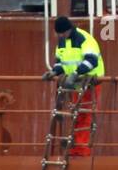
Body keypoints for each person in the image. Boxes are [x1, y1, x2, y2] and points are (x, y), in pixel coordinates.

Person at [43, 16, 105, 157]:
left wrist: (76, 73)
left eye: (63, 33)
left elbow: (92, 61)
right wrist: (54, 72)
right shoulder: (62, 42)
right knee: (77, 114)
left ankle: (81, 150)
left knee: (85, 114)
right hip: (77, 83)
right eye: (59, 34)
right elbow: (61, 62)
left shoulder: (84, 39)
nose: (61, 36)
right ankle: (76, 147)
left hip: (91, 82)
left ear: (69, 29)